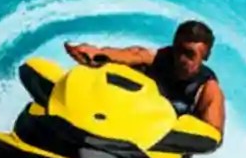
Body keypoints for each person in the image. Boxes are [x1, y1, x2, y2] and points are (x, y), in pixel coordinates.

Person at [62, 20, 225, 137]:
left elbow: (212, 136)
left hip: (163, 153)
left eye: (190, 54)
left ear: (206, 55)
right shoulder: (156, 58)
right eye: (178, 50)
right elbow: (129, 54)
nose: (181, 59)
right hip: (129, 128)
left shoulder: (208, 89)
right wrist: (95, 54)